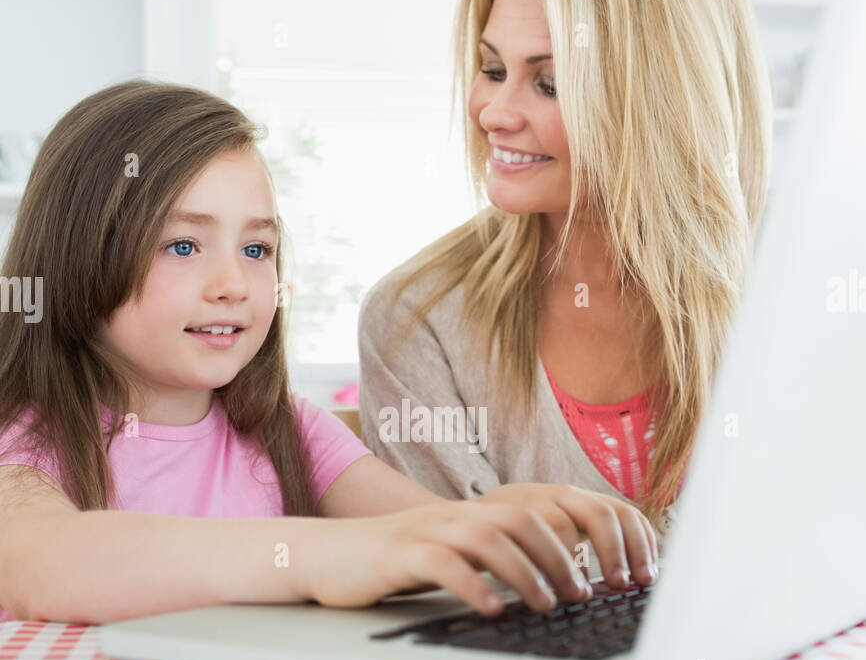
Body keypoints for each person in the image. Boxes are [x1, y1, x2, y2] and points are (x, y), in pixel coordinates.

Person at [0, 80, 658, 626]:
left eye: (256, 250)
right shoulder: (26, 443)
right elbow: (43, 560)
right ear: (76, 256)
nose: (233, 285)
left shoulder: (290, 430)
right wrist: (319, 555)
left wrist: (513, 526)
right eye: (183, 245)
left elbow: (425, 535)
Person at [358, 0, 773, 570]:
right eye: (493, 69)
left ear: (660, 100)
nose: (493, 111)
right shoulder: (416, 320)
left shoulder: (780, 294)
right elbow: (462, 589)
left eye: (547, 84)